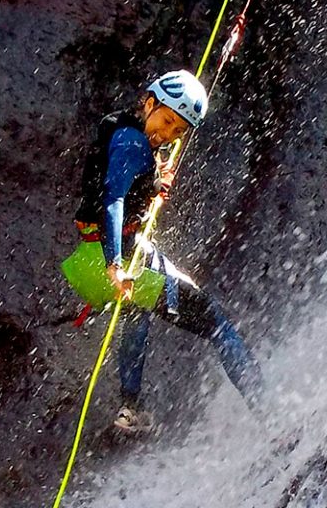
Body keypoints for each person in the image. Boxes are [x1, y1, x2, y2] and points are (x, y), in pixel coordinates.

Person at [74, 70, 262, 433]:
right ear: (149, 103)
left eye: (178, 131)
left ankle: (131, 410)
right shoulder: (133, 144)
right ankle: (269, 413)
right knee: (217, 324)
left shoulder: (123, 132)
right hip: (117, 259)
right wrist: (116, 265)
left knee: (137, 312)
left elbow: (119, 188)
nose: (167, 133)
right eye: (166, 120)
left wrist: (153, 182)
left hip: (88, 260)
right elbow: (113, 200)